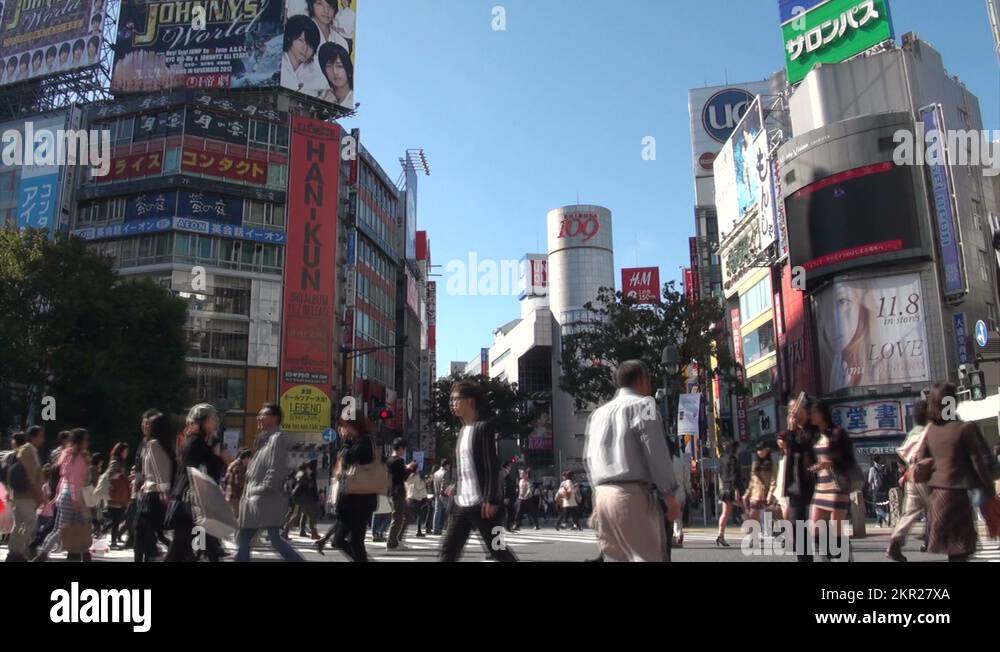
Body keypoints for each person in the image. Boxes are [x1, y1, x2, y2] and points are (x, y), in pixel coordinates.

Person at [584, 360, 679, 562]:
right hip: (631, 495)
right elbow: (656, 451)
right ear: (641, 379)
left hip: (602, 495)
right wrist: (669, 494)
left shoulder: (598, 414)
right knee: (648, 557)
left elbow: (590, 458)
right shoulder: (644, 405)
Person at [439, 380, 518, 562]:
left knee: (498, 549)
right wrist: (455, 485)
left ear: (470, 401)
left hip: (483, 505)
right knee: (448, 551)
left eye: (456, 399)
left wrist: (491, 499)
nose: (452, 404)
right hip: (461, 504)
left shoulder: (484, 427)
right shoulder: (461, 430)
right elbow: (464, 467)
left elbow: (491, 465)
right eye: (451, 400)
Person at [920, 383, 997, 562]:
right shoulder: (964, 428)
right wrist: (989, 490)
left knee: (952, 551)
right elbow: (978, 463)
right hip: (958, 496)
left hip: (936, 497)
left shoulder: (930, 430)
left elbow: (922, 459)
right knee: (961, 549)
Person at [235, 404, 305, 562]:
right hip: (255, 496)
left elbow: (275, 466)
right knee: (249, 537)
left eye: (263, 415)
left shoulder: (277, 438)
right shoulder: (264, 440)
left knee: (268, 538)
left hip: (265, 497)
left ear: (275, 418)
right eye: (258, 415)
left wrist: (264, 487)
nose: (259, 418)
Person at [166, 403, 227, 562]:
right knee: (183, 548)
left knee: (190, 548)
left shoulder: (196, 440)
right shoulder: (196, 442)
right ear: (203, 421)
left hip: (192, 502)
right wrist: (216, 456)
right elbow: (208, 468)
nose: (216, 422)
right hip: (193, 503)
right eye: (213, 418)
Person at [315, 412, 378, 561]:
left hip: (361, 500)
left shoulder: (365, 443)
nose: (344, 430)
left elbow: (348, 458)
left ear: (355, 426)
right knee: (338, 541)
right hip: (352, 500)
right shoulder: (358, 441)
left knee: (356, 541)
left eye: (346, 426)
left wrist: (344, 442)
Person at [34, 429, 92, 562]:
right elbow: (75, 481)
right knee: (68, 528)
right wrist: (75, 499)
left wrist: (57, 497)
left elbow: (63, 478)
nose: (88, 442)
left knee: (71, 526)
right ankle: (43, 555)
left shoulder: (69, 455)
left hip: (65, 494)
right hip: (73, 497)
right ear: (80, 440)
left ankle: (82, 554)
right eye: (85, 439)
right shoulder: (77, 459)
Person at [808, 400, 856, 561]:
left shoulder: (838, 433)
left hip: (837, 486)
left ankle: (846, 556)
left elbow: (849, 459)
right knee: (814, 529)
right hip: (821, 486)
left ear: (822, 413)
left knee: (836, 532)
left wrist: (832, 463)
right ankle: (828, 557)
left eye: (814, 412)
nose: (811, 416)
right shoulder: (816, 435)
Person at [887, 399, 930, 561]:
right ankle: (947, 543)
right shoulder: (929, 431)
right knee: (940, 508)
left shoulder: (912, 434)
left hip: (912, 477)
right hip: (928, 476)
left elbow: (908, 457)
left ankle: (895, 543)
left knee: (908, 513)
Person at [778, 397, 817, 562]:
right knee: (796, 528)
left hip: (816, 486)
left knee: (823, 534)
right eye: (790, 410)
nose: (792, 413)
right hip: (796, 487)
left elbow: (806, 446)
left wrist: (791, 434)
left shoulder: (814, 430)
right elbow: (784, 444)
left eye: (796, 409)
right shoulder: (791, 433)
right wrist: (789, 433)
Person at [132, 414, 174, 562]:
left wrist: (163, 490)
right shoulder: (163, 444)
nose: (146, 427)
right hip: (152, 491)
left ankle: (152, 557)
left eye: (150, 424)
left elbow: (160, 468)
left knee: (141, 530)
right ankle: (152, 556)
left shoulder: (153, 443)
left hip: (153, 493)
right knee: (147, 530)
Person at [5, 427, 45, 562]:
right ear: (33, 437)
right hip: (25, 494)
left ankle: (14, 553)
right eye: (40, 436)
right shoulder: (28, 450)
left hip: (21, 494)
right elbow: (31, 475)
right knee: (31, 522)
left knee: (20, 523)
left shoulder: (29, 450)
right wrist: (39, 495)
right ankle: (17, 552)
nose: (42, 439)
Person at [281, 14, 323, 94]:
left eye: (310, 45)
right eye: (301, 40)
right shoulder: (278, 63)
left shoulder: (314, 72)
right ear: (289, 37)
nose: (305, 49)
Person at [744, 443, 777, 538]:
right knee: (753, 515)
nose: (760, 452)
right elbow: (752, 481)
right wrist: (747, 493)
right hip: (755, 494)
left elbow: (773, 479)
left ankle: (771, 533)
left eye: (762, 450)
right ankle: (753, 536)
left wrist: (771, 493)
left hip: (766, 494)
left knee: (767, 516)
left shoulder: (771, 464)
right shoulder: (755, 464)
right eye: (758, 450)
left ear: (767, 450)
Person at [105, 442, 131, 550]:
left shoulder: (121, 463)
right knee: (116, 520)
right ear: (120, 451)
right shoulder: (115, 462)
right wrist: (120, 475)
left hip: (120, 495)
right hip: (115, 495)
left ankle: (114, 538)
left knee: (120, 518)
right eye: (125, 451)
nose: (127, 453)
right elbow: (109, 476)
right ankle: (113, 540)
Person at [386, 437, 410, 550]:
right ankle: (392, 542)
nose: (404, 451)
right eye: (404, 449)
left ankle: (395, 540)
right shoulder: (399, 461)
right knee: (398, 517)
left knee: (398, 516)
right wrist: (410, 469)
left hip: (391, 491)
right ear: (400, 448)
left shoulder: (388, 460)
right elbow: (403, 477)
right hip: (398, 491)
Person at [716, 440, 740, 546]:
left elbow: (720, 474)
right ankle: (753, 533)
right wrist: (737, 489)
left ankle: (720, 535)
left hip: (724, 488)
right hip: (732, 488)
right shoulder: (733, 460)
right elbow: (734, 475)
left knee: (725, 513)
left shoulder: (722, 459)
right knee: (747, 508)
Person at [669, 436, 692, 547]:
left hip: (670, 492)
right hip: (681, 492)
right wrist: (688, 491)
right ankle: (679, 532)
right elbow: (687, 478)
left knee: (670, 516)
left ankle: (675, 534)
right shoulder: (683, 459)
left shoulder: (667, 460)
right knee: (679, 516)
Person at [317, 42, 353, 108]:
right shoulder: (320, 95)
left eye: (339, 66)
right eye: (329, 66)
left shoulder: (355, 99)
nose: (335, 72)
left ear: (349, 69)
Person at [223, 448, 252, 520]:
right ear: (245, 458)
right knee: (236, 517)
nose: (250, 461)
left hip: (229, 494)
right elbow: (239, 483)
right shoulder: (238, 467)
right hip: (234, 496)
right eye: (250, 458)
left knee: (233, 516)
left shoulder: (233, 464)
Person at [404, 464, 428, 537]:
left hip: (409, 497)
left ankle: (403, 531)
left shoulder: (407, 476)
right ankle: (418, 531)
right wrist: (424, 482)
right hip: (416, 498)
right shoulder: (417, 476)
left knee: (409, 516)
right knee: (418, 515)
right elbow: (418, 486)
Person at [431, 458, 454, 535]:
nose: (449, 467)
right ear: (446, 465)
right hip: (444, 495)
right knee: (450, 511)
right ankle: (448, 529)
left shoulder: (436, 473)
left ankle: (435, 529)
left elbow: (433, 484)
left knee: (437, 512)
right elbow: (444, 485)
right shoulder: (445, 473)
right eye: (449, 465)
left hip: (437, 494)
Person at [868, 455, 890, 527]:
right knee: (882, 505)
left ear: (873, 461)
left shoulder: (872, 469)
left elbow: (870, 480)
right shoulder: (883, 468)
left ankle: (884, 517)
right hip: (884, 489)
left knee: (877, 506)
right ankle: (880, 521)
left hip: (876, 490)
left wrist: (870, 488)